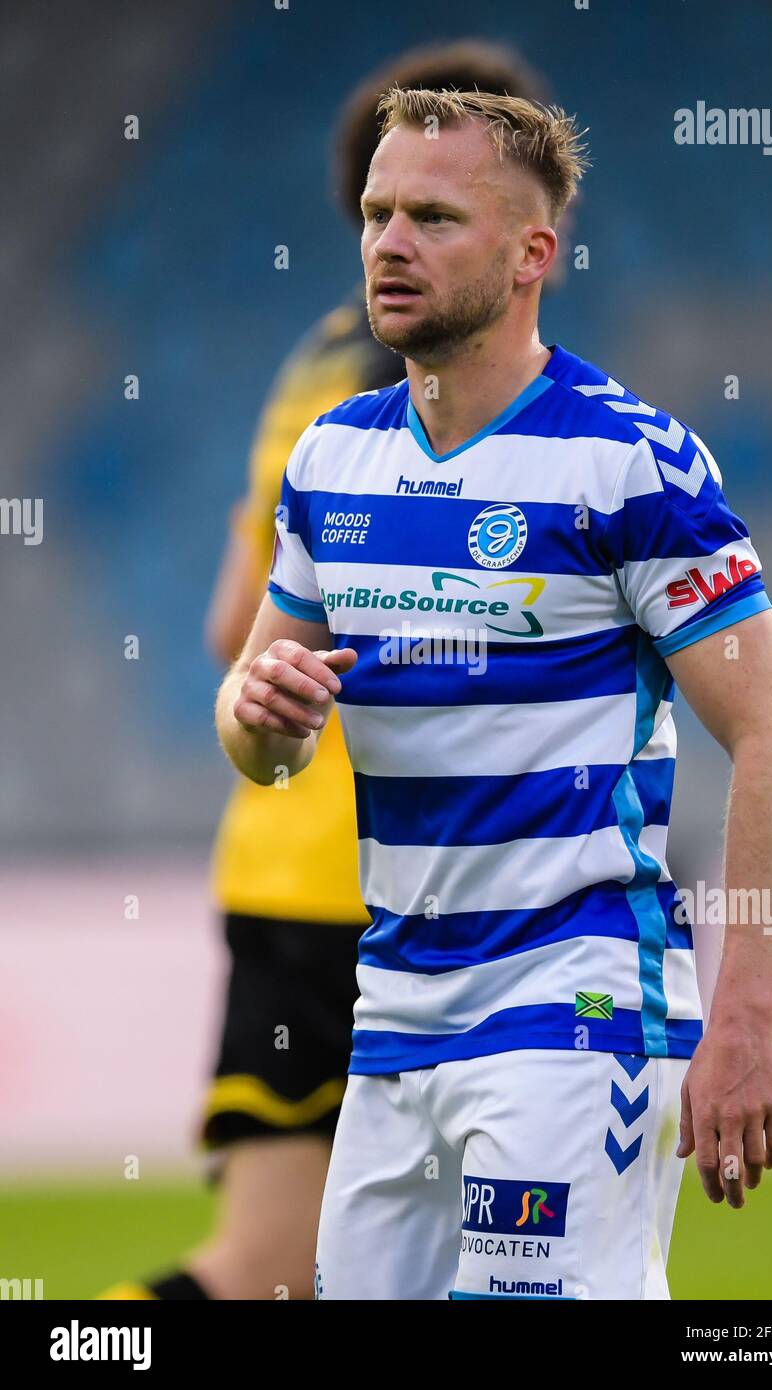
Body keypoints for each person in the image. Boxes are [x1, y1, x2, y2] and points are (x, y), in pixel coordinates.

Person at [215, 88, 772, 1300]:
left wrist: (743, 1019)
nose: (388, 243)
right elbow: (258, 733)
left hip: (573, 998)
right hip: (391, 1011)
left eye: (432, 217)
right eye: (379, 213)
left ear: (530, 254)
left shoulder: (628, 463)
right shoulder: (331, 460)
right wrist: (261, 716)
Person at [99, 44, 554, 1303]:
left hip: (291, 860)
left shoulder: (313, 360)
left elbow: (229, 626)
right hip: (374, 882)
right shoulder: (411, 389)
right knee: (279, 1275)